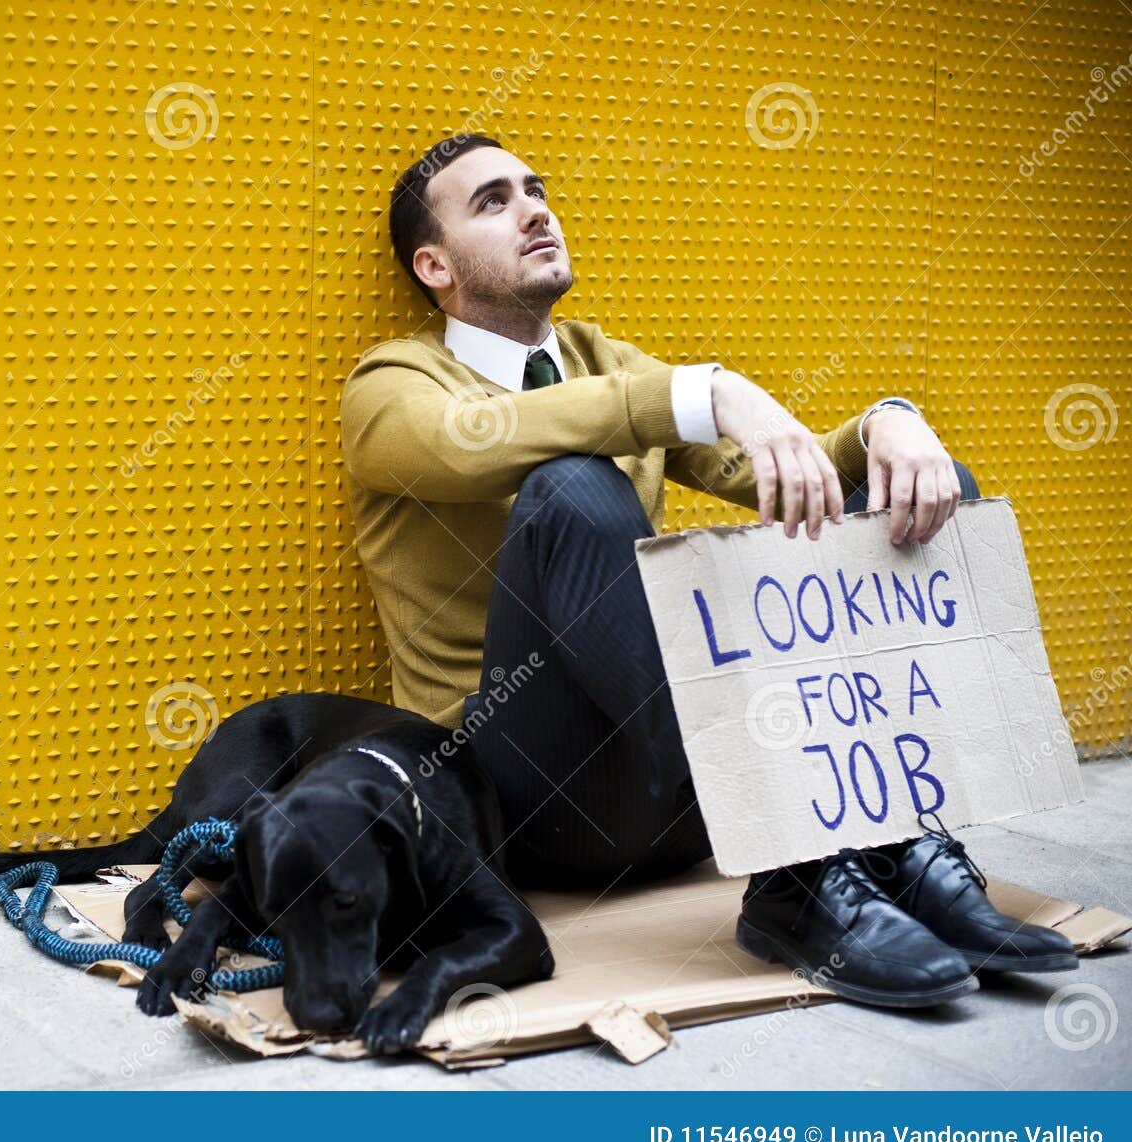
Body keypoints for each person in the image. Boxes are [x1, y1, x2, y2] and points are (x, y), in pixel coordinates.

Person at [338, 133, 1077, 1008]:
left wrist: (890, 422)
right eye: (493, 201)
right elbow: (468, 447)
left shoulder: (601, 359)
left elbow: (760, 469)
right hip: (529, 804)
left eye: (536, 188)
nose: (535, 208)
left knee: (920, 485)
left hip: (687, 799)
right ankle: (797, 880)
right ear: (434, 264)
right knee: (573, 488)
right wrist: (707, 389)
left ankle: (902, 841)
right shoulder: (390, 384)